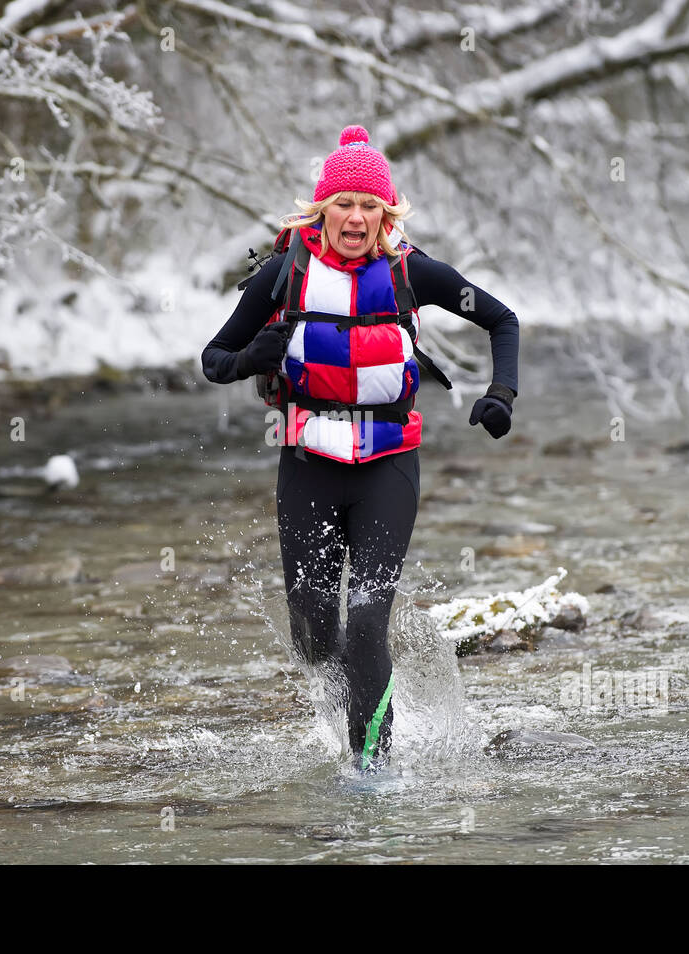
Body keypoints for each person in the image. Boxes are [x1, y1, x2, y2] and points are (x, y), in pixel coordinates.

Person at [201, 125, 520, 773]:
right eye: (343, 202)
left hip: (387, 465)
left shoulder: (412, 273)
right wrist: (253, 358)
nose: (356, 216)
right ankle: (356, 692)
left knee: (369, 615)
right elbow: (214, 360)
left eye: (369, 205)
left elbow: (501, 319)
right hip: (309, 466)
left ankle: (369, 773)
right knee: (318, 638)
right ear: (322, 209)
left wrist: (502, 394)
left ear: (386, 213)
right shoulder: (282, 274)